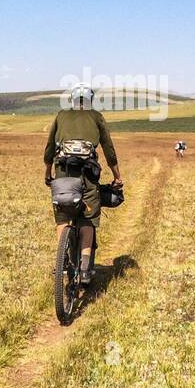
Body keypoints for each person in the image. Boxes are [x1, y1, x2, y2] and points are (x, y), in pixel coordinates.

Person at [44, 85, 122, 284]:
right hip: (87, 175)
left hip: (63, 173)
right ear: (90, 100)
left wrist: (47, 173)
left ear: (72, 99)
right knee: (88, 218)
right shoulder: (96, 117)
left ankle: (62, 264)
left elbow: (50, 147)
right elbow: (108, 148)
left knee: (63, 217)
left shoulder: (61, 115)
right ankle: (85, 268)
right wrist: (117, 176)